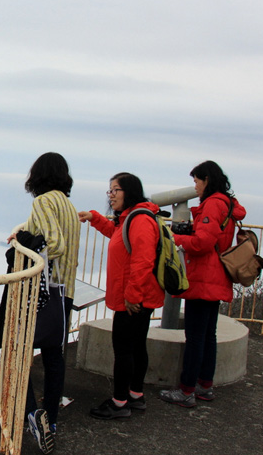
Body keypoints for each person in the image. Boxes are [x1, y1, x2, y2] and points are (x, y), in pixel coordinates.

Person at [8, 152, 80, 454]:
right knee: (53, 357)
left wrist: (23, 242)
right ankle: (51, 420)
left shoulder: (42, 201)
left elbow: (55, 244)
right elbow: (54, 230)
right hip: (66, 291)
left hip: (44, 293)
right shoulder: (67, 205)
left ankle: (31, 416)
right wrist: (23, 229)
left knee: (18, 352)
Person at [78, 172, 164, 419]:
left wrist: (133, 296)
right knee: (136, 346)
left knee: (124, 349)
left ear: (130, 192)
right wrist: (95, 218)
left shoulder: (140, 220)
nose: (111, 195)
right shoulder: (129, 218)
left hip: (134, 298)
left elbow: (143, 260)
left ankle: (119, 403)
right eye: (110, 190)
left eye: (116, 190)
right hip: (137, 296)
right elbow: (118, 236)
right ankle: (135, 396)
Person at [160, 160, 246, 407]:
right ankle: (204, 386)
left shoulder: (212, 205)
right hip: (218, 276)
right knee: (208, 335)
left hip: (204, 277)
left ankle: (186, 390)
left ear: (206, 179)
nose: (195, 187)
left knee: (195, 336)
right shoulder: (227, 204)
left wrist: (176, 237)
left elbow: (202, 244)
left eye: (196, 181)